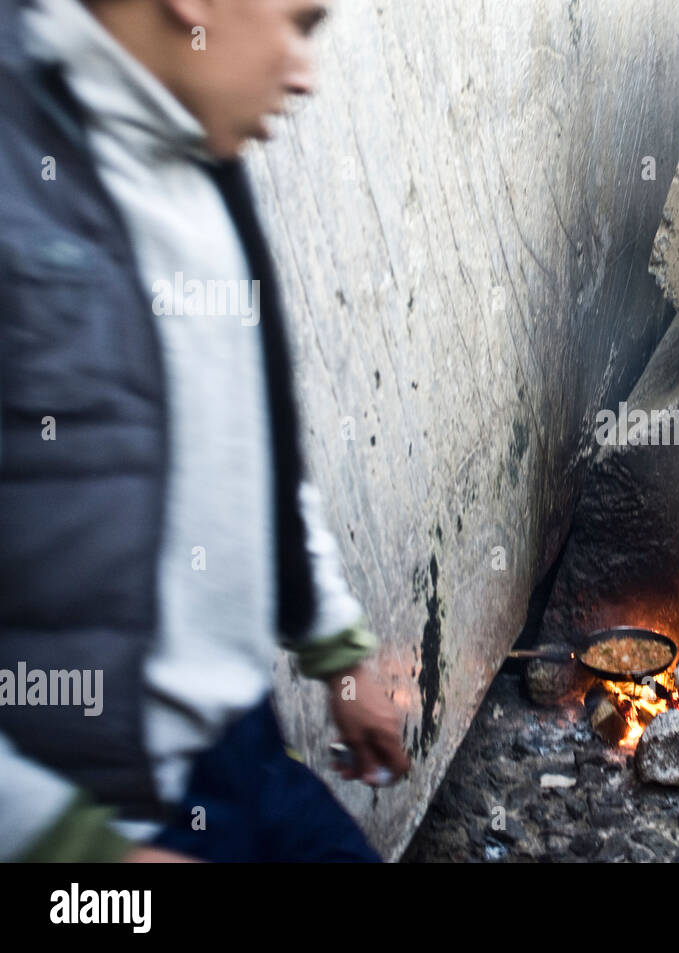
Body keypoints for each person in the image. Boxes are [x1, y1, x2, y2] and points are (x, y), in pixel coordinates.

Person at [0, 0, 409, 862]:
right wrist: (69, 848)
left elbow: (263, 448)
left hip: (244, 751)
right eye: (299, 23)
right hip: (101, 820)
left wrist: (337, 651)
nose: (304, 74)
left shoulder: (204, 153)